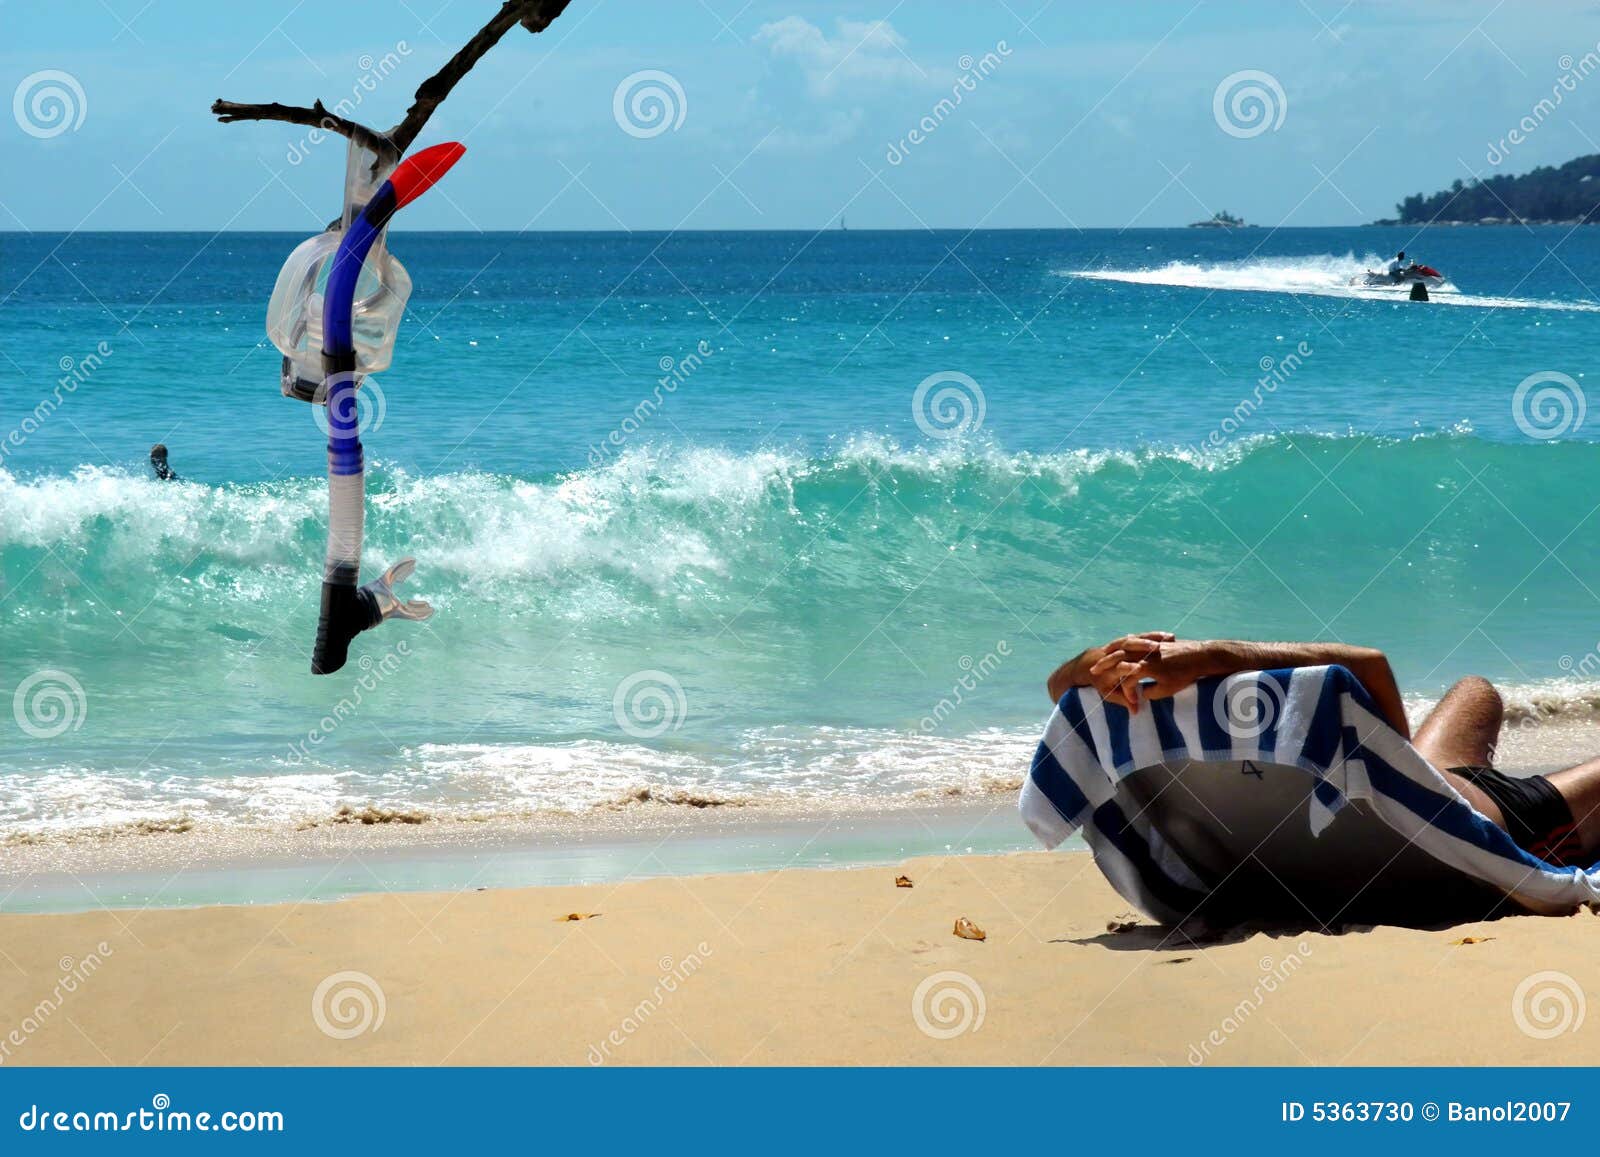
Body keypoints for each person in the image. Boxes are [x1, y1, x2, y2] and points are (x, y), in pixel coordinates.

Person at [1047, 633, 1594, 867]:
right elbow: (1369, 665)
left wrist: (1089, 666)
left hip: (1435, 783)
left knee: (1475, 691)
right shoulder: (1278, 707)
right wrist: (1214, 655)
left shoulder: (1162, 738)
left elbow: (1064, 704)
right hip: (1502, 820)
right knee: (1476, 689)